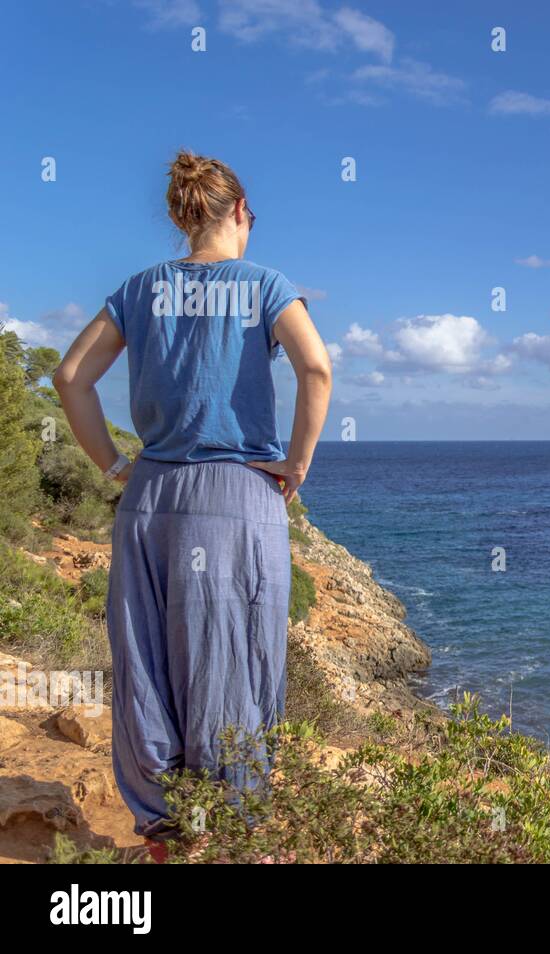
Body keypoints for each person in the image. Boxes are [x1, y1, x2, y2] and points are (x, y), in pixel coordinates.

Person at [53, 150, 332, 857]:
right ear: (239, 213)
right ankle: (228, 828)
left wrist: (117, 464)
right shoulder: (265, 284)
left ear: (185, 216)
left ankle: (165, 832)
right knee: (233, 658)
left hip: (150, 496)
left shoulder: (140, 288)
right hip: (237, 493)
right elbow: (316, 369)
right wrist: (296, 464)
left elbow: (69, 378)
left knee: (148, 658)